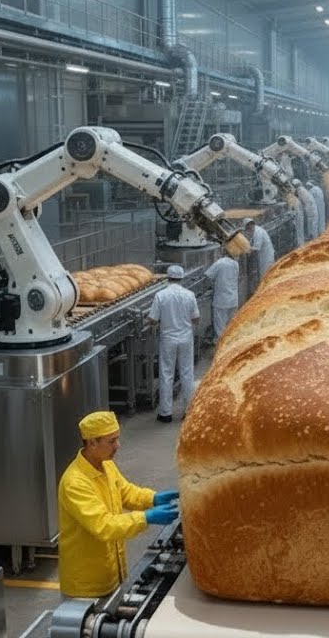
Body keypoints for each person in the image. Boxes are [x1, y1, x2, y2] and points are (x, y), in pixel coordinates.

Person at [57, 411, 179, 597]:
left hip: (111, 574)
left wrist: (152, 498)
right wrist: (146, 517)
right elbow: (104, 526)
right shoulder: (75, 483)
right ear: (92, 443)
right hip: (86, 587)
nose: (118, 446)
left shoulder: (105, 464)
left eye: (117, 439)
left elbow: (125, 491)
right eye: (111, 441)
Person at [147, 265, 199, 423]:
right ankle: (188, 411)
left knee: (166, 374)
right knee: (187, 373)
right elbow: (196, 318)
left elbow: (153, 319)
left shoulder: (160, 295)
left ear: (167, 277)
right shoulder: (189, 295)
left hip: (168, 339)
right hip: (185, 339)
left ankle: (165, 413)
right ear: (182, 278)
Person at [203, 254, 239, 340]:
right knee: (231, 327)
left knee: (220, 329)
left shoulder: (220, 263)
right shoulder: (235, 263)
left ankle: (220, 347)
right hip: (233, 299)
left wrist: (208, 287)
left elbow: (207, 276)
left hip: (221, 301)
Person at [243, 218, 275, 283]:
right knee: (265, 275)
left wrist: (246, 249)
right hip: (263, 257)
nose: (248, 230)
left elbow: (257, 248)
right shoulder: (256, 230)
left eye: (248, 228)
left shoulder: (258, 232)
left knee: (266, 275)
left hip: (266, 257)